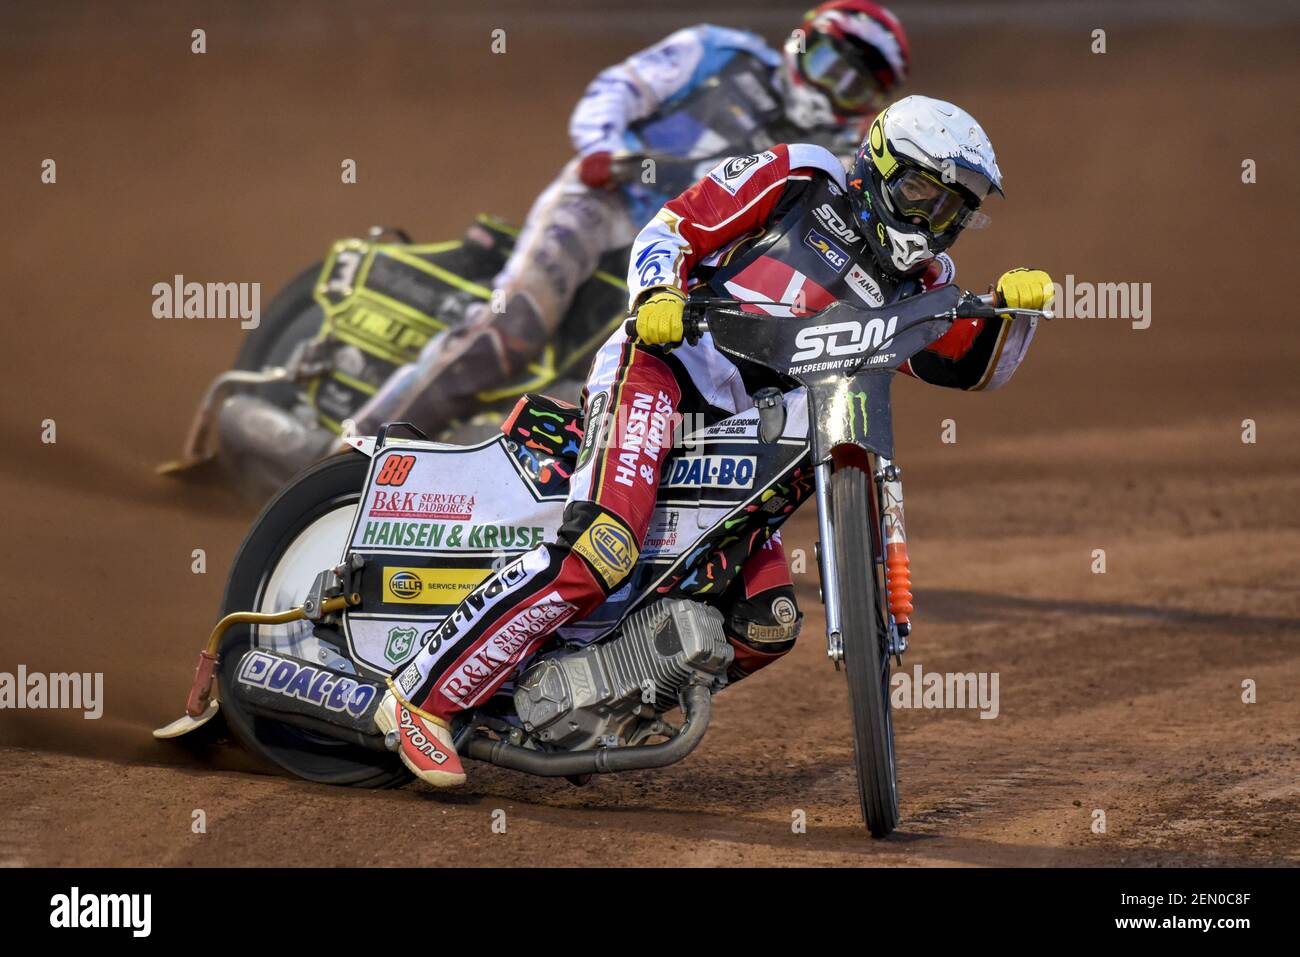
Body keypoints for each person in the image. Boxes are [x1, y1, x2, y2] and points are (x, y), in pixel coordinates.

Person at [374, 94, 1055, 787]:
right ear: (876, 166)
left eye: (950, 211)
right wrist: (656, 295)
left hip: (750, 440)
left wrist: (1014, 313)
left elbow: (972, 366)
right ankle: (422, 697)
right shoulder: (803, 176)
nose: (928, 222)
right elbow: (674, 225)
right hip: (663, 371)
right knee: (600, 547)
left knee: (768, 621)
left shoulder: (924, 281)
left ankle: (596, 703)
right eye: (918, 193)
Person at [347, 2, 911, 441]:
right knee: (511, 331)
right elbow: (622, 86)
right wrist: (603, 146)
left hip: (696, 264)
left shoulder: (838, 158)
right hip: (609, 204)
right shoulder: (719, 52)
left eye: (854, 83)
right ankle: (357, 449)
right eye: (827, 63)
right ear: (801, 44)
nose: (833, 87)